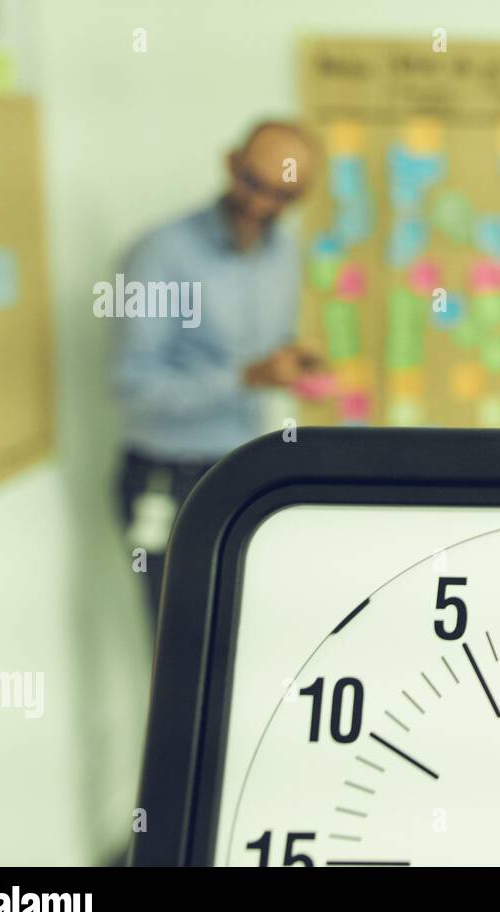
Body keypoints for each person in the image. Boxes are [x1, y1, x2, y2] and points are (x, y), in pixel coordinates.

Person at [112, 120, 324, 626]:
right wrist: (246, 377)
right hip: (167, 480)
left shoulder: (283, 252)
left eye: (282, 195)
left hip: (246, 470)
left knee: (244, 637)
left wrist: (293, 361)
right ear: (231, 163)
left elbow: (262, 351)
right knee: (178, 643)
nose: (262, 205)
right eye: (253, 183)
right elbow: (132, 388)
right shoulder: (159, 254)